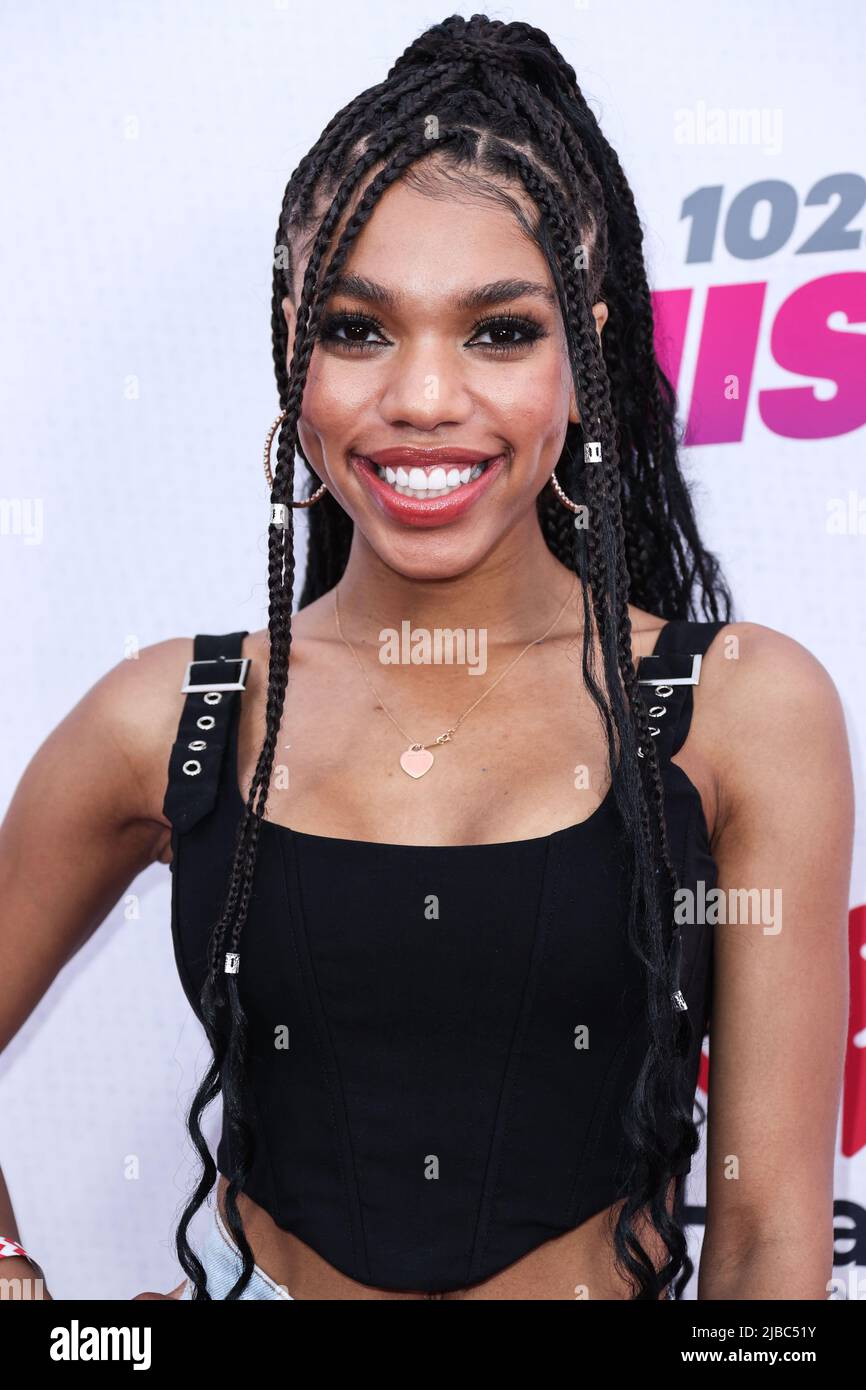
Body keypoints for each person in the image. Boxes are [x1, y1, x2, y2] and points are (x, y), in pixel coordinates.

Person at [0, 14, 852, 1302]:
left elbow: (768, 1243)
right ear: (292, 344)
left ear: (586, 355)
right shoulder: (170, 716)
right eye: (358, 328)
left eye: (499, 332)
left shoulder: (740, 711)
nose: (424, 398)